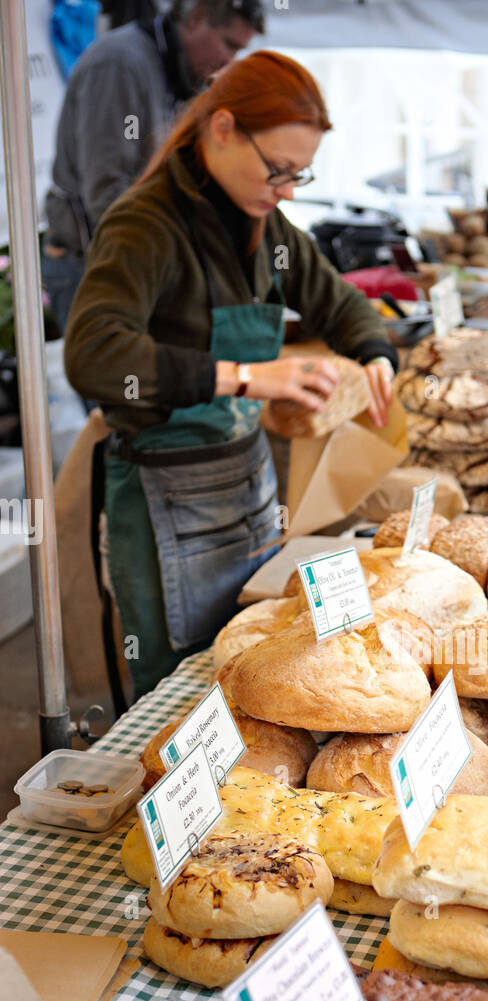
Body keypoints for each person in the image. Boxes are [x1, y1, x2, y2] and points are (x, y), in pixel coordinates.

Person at [63, 51, 397, 701]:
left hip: (247, 494)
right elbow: (94, 353)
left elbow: (341, 302)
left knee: (253, 679)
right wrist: (245, 376)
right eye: (278, 170)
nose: (289, 191)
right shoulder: (144, 226)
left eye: (301, 175)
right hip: (167, 503)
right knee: (179, 704)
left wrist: (375, 353)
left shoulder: (264, 226)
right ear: (222, 128)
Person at [43, 0, 265, 331]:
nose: (228, 61)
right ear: (197, 17)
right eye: (229, 44)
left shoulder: (175, 68)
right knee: (117, 380)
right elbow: (107, 193)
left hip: (131, 258)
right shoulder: (120, 65)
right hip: (91, 265)